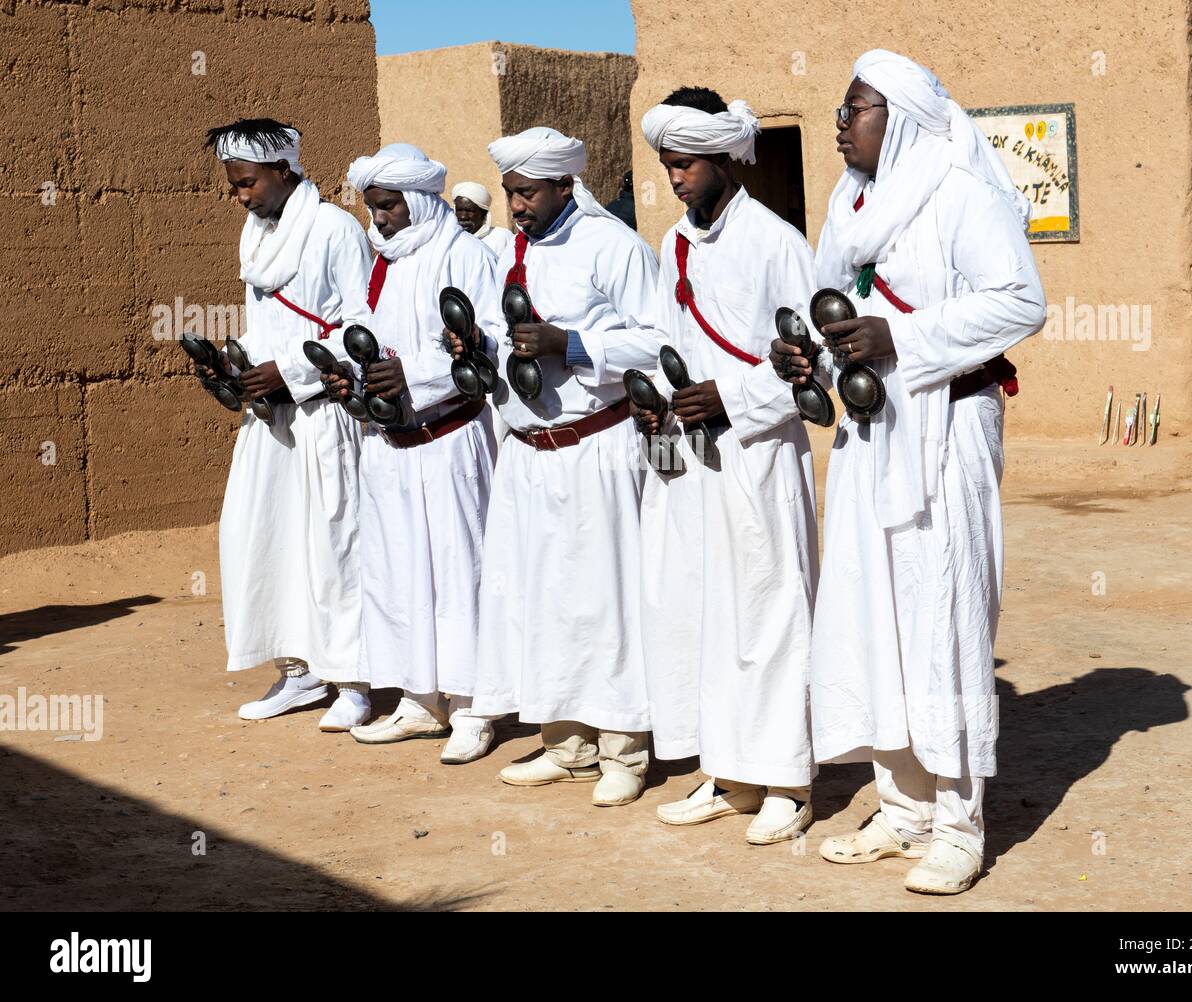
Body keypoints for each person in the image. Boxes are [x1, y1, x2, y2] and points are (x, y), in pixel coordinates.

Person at [771, 50, 1046, 893]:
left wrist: (905, 338)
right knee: (874, 611)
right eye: (839, 110)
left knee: (944, 610)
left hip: (945, 427)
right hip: (866, 433)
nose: (838, 123)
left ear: (902, 120)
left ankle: (960, 825)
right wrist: (806, 360)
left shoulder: (959, 190)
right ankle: (903, 807)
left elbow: (1019, 300)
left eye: (854, 108)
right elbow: (837, 313)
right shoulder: (849, 206)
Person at [637, 88, 820, 845]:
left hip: (761, 454)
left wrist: (734, 393)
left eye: (683, 165)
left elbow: (816, 365)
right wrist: (652, 400)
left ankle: (789, 780)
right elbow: (657, 338)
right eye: (667, 166)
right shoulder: (673, 244)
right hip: (694, 457)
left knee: (769, 608)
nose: (674, 179)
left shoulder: (776, 242)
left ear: (720, 158)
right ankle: (729, 772)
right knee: (704, 606)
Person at [463, 126, 660, 808]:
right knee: (539, 600)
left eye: (528, 192)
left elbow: (660, 342)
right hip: (526, 454)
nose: (516, 205)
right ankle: (566, 745)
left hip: (596, 447)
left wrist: (571, 343)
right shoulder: (507, 251)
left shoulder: (614, 247)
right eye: (510, 193)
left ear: (565, 186)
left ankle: (623, 751)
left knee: (603, 601)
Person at [317, 144, 502, 763]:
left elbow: (485, 346)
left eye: (390, 205)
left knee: (458, 570)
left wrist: (414, 378)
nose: (382, 218)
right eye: (373, 208)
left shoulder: (465, 254)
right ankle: (422, 701)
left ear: (418, 199)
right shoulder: (382, 264)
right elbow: (361, 333)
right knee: (397, 571)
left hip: (449, 439)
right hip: (389, 444)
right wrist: (353, 377)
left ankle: (475, 705)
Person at [201, 119, 372, 730]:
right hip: (271, 419)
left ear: (282, 170)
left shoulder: (334, 229)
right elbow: (266, 326)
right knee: (263, 538)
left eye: (247, 183)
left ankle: (352, 679)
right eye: (233, 187)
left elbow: (362, 328)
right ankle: (297, 673)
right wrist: (239, 362)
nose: (241, 197)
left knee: (334, 542)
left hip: (323, 414)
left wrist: (290, 369)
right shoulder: (256, 236)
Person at [451, 181, 512, 258]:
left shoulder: (501, 238)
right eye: (459, 210)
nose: (463, 216)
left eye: (470, 211)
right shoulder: (449, 240)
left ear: (483, 214)